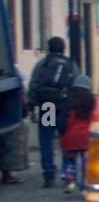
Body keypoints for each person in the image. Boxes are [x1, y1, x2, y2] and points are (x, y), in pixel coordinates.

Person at [27, 37, 80, 189]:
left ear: (49, 48)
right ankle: (67, 173)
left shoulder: (42, 64)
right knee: (66, 139)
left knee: (46, 140)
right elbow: (77, 85)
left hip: (48, 105)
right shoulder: (71, 65)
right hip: (64, 105)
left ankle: (49, 175)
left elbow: (34, 84)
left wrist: (32, 105)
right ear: (63, 48)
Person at [59, 74, 94, 194]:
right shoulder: (93, 101)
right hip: (86, 138)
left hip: (70, 137)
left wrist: (58, 130)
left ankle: (70, 181)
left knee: (70, 161)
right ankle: (85, 186)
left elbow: (62, 120)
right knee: (87, 162)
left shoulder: (67, 101)